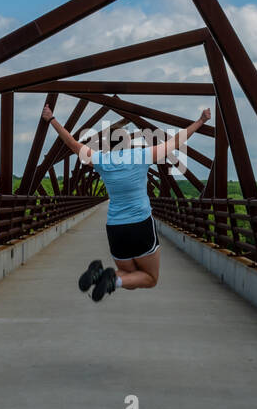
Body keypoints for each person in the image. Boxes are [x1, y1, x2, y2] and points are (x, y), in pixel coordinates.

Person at [41, 102, 211, 301]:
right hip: (140, 225)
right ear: (127, 142)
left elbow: (71, 143)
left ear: (109, 145)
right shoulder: (141, 155)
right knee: (150, 278)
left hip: (116, 228)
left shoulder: (101, 160)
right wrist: (200, 121)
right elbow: (176, 141)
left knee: (129, 278)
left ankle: (103, 276)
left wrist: (51, 119)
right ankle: (111, 279)